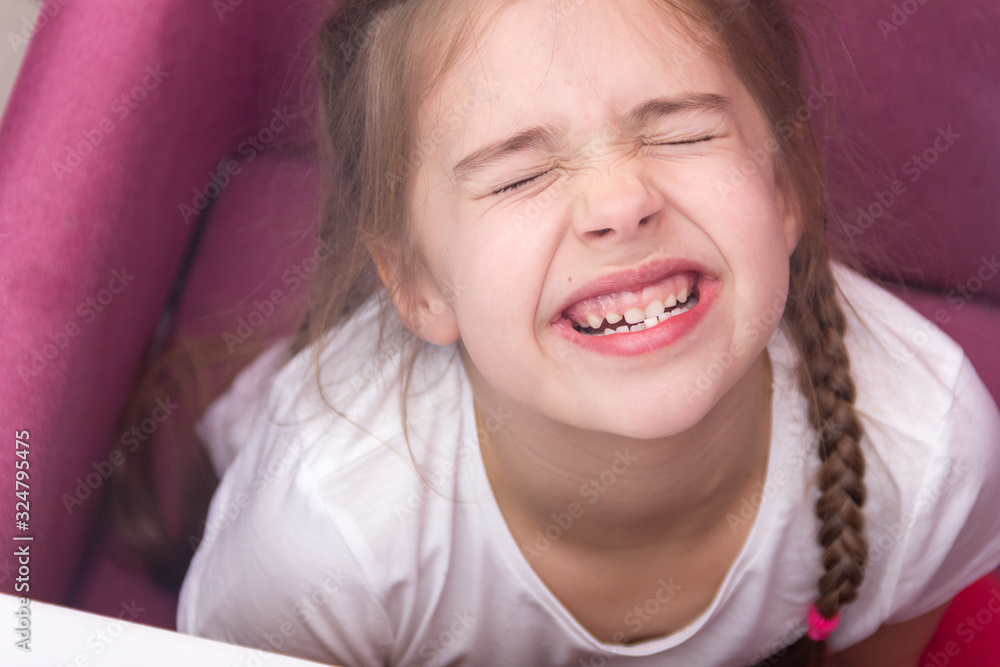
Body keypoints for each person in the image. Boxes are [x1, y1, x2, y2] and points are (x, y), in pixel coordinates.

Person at [175, 0, 1000, 665]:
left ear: (785, 186)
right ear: (419, 285)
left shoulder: (927, 447)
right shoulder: (323, 538)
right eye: (522, 172)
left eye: (681, 129)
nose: (619, 203)